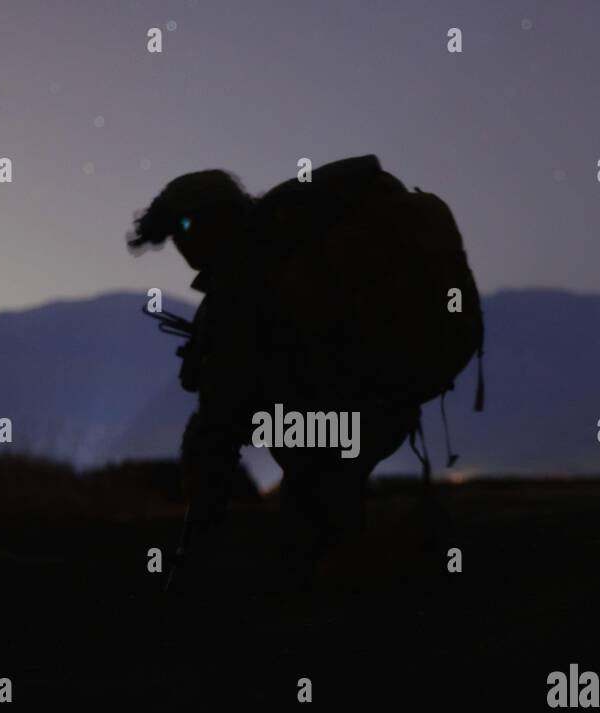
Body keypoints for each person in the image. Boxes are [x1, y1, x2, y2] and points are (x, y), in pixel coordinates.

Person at [127, 167, 424, 578]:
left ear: (220, 217)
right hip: (378, 407)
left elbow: (223, 409)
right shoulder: (282, 256)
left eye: (187, 225)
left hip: (342, 418)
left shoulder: (244, 278)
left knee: (221, 444)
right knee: (316, 498)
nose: (182, 241)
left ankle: (332, 562)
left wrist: (196, 538)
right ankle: (345, 550)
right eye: (175, 232)